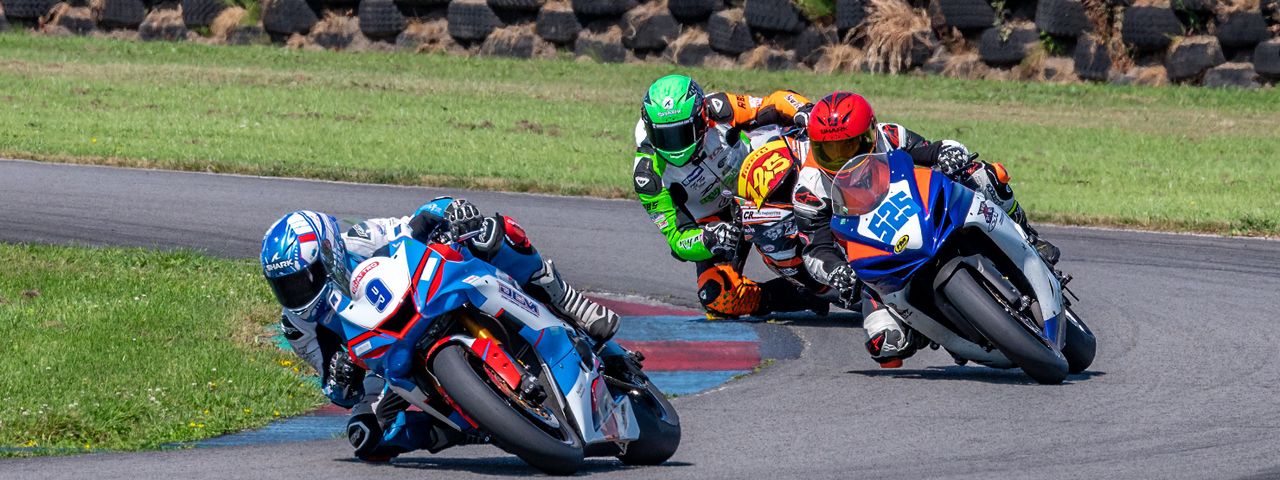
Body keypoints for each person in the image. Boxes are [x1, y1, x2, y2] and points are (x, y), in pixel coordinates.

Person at [259, 198, 623, 461]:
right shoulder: (297, 324)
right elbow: (334, 388)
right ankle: (469, 427)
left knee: (491, 234)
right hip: (383, 360)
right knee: (365, 435)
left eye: (300, 280)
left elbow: (417, 219)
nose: (295, 294)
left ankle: (567, 300)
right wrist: (341, 378)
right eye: (284, 286)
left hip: (424, 296)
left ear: (328, 255)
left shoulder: (357, 239)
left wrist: (452, 211)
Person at [791, 91, 1060, 367]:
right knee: (885, 345)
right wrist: (836, 272)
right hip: (877, 262)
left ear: (870, 134)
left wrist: (951, 154)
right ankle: (926, 328)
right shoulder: (808, 190)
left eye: (849, 147)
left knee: (984, 174)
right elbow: (815, 249)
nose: (840, 160)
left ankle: (1029, 236)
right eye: (829, 151)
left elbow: (932, 150)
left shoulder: (890, 136)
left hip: (923, 214)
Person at [633, 73, 823, 319]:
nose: (675, 146)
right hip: (718, 223)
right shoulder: (648, 177)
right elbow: (677, 240)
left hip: (759, 184)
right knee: (716, 296)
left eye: (682, 133)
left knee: (796, 131)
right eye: (664, 136)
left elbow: (775, 102)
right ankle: (802, 295)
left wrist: (806, 111)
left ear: (702, 118)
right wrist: (708, 239)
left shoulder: (719, 108)